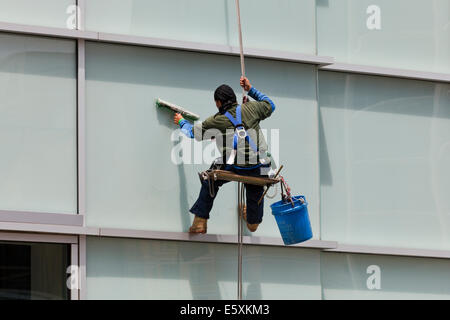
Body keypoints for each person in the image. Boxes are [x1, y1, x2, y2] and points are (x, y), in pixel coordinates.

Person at [173, 77, 276, 234]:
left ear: (219, 103)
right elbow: (270, 105)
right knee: (255, 205)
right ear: (234, 99)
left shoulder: (217, 120)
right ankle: (252, 221)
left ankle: (200, 221)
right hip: (260, 167)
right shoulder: (252, 108)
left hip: (238, 167)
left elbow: (192, 133)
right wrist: (251, 89)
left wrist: (181, 121)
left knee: (210, 178)